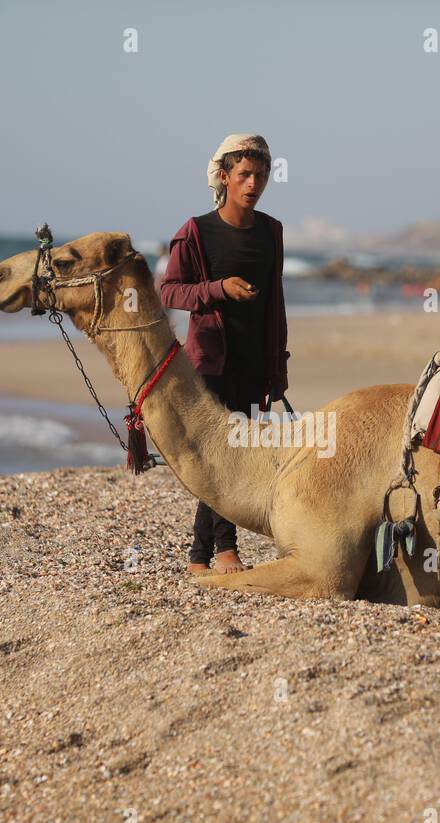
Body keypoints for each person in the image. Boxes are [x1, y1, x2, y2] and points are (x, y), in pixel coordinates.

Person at [159, 133, 289, 577]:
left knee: (234, 452)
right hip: (210, 364)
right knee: (222, 456)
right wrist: (219, 289)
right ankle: (222, 550)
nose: (254, 183)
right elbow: (170, 290)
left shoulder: (272, 232)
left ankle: (201, 554)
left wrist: (278, 366)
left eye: (261, 175)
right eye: (245, 175)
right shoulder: (196, 231)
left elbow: (276, 302)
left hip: (255, 365)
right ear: (224, 177)